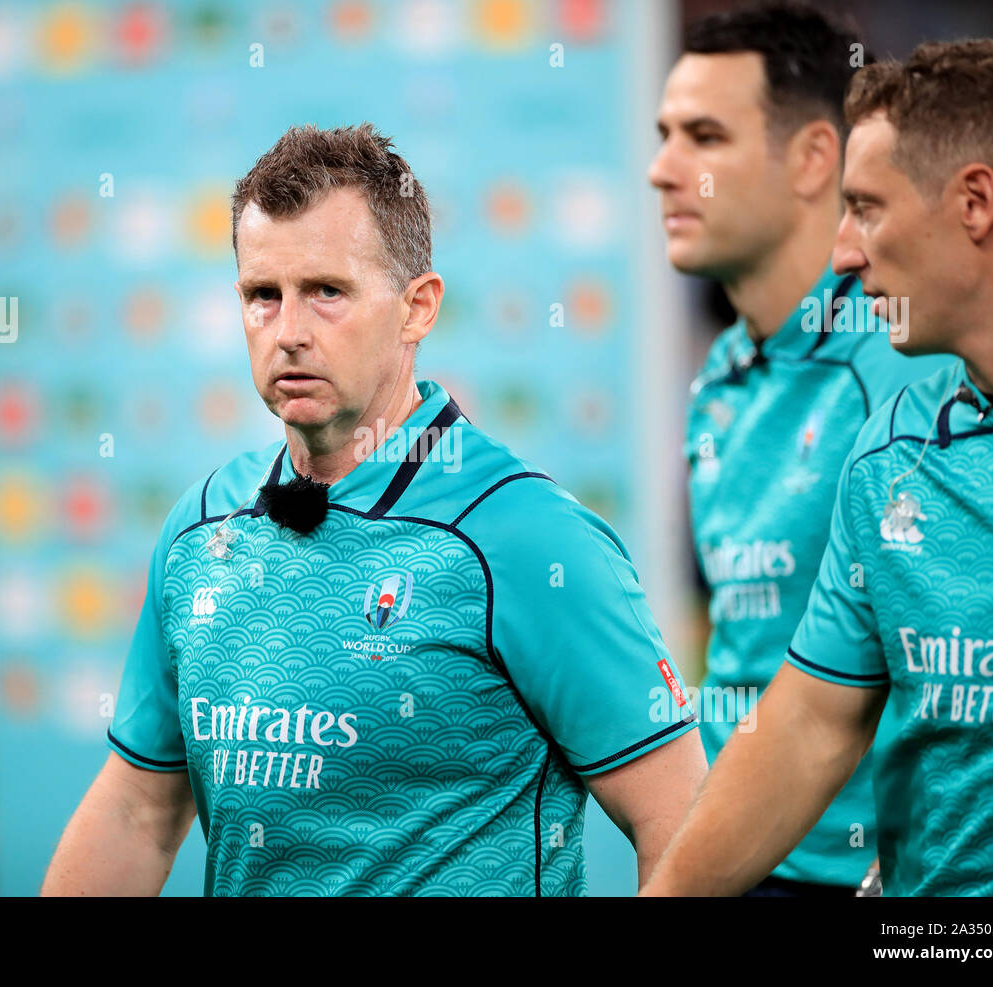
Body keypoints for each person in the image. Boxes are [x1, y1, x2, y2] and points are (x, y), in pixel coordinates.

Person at [43, 123, 706, 896]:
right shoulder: (200, 529)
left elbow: (682, 814)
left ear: (417, 308)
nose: (288, 331)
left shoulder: (526, 537)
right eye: (264, 295)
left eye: (327, 292)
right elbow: (138, 809)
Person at [642, 38, 993, 897]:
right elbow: (809, 725)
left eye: (865, 207)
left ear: (978, 202)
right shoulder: (893, 443)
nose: (843, 253)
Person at [648, 2, 944, 895]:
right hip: (734, 856)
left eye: (704, 137)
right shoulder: (720, 374)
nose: (664, 171)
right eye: (664, 135)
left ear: (817, 157)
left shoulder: (907, 364)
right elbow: (730, 643)